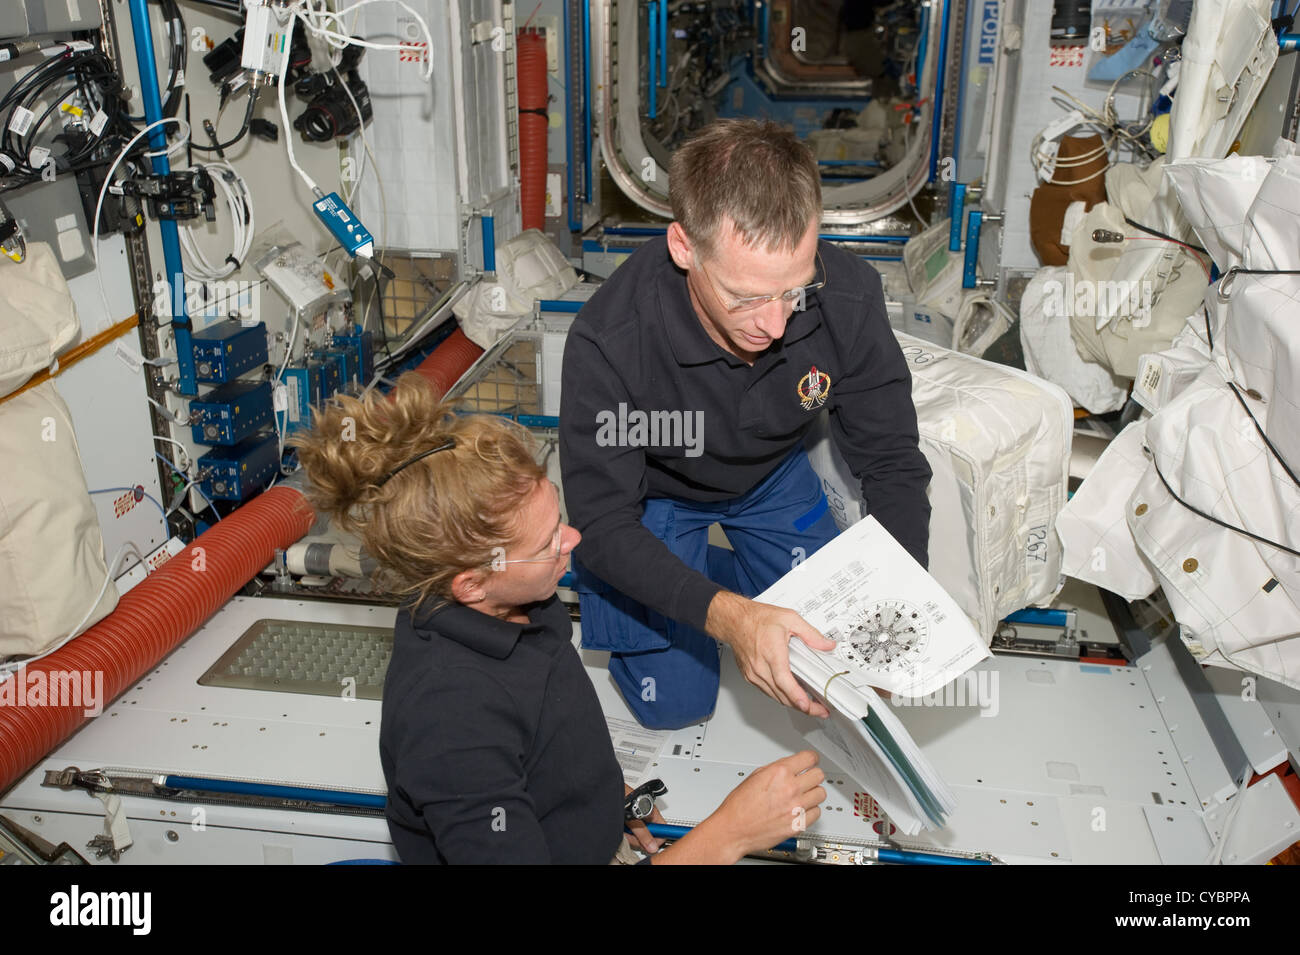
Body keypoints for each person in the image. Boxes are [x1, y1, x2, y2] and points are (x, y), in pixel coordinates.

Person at [290, 372, 827, 864]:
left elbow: (538, 739)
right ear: (472, 583)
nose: (572, 540)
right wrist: (730, 833)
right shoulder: (450, 721)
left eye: (560, 520)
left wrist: (594, 796)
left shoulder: (516, 606)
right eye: (548, 543)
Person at [560, 119, 932, 731]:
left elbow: (890, 459)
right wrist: (732, 620)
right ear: (685, 248)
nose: (777, 325)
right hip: (656, 494)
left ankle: (722, 573)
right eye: (746, 298)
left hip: (770, 478)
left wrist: (897, 593)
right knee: (673, 706)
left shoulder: (848, 296)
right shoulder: (610, 343)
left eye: (794, 290)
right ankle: (707, 579)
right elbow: (602, 524)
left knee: (833, 656)